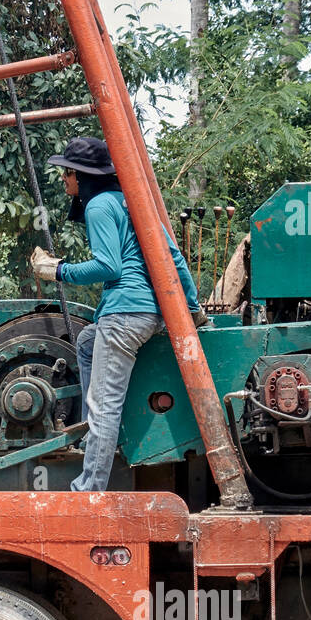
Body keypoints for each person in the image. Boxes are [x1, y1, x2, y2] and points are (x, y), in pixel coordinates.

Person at [30, 137, 202, 491]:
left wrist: (58, 270)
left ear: (81, 176)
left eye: (67, 173)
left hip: (124, 316)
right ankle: (90, 438)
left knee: (104, 406)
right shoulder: (133, 203)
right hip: (148, 314)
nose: (64, 179)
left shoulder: (97, 207)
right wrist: (191, 307)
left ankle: (89, 488)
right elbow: (174, 256)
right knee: (87, 341)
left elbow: (108, 266)